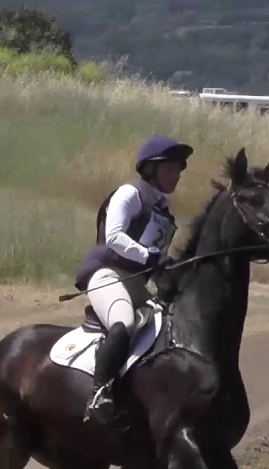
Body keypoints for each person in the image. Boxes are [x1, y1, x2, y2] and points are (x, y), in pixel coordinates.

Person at [72, 135, 193, 423]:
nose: (177, 174)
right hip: (107, 275)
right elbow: (114, 237)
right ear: (151, 168)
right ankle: (99, 393)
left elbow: (154, 256)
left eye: (179, 168)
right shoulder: (129, 195)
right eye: (171, 167)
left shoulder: (162, 209)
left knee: (171, 324)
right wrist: (151, 256)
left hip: (136, 283)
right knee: (124, 322)